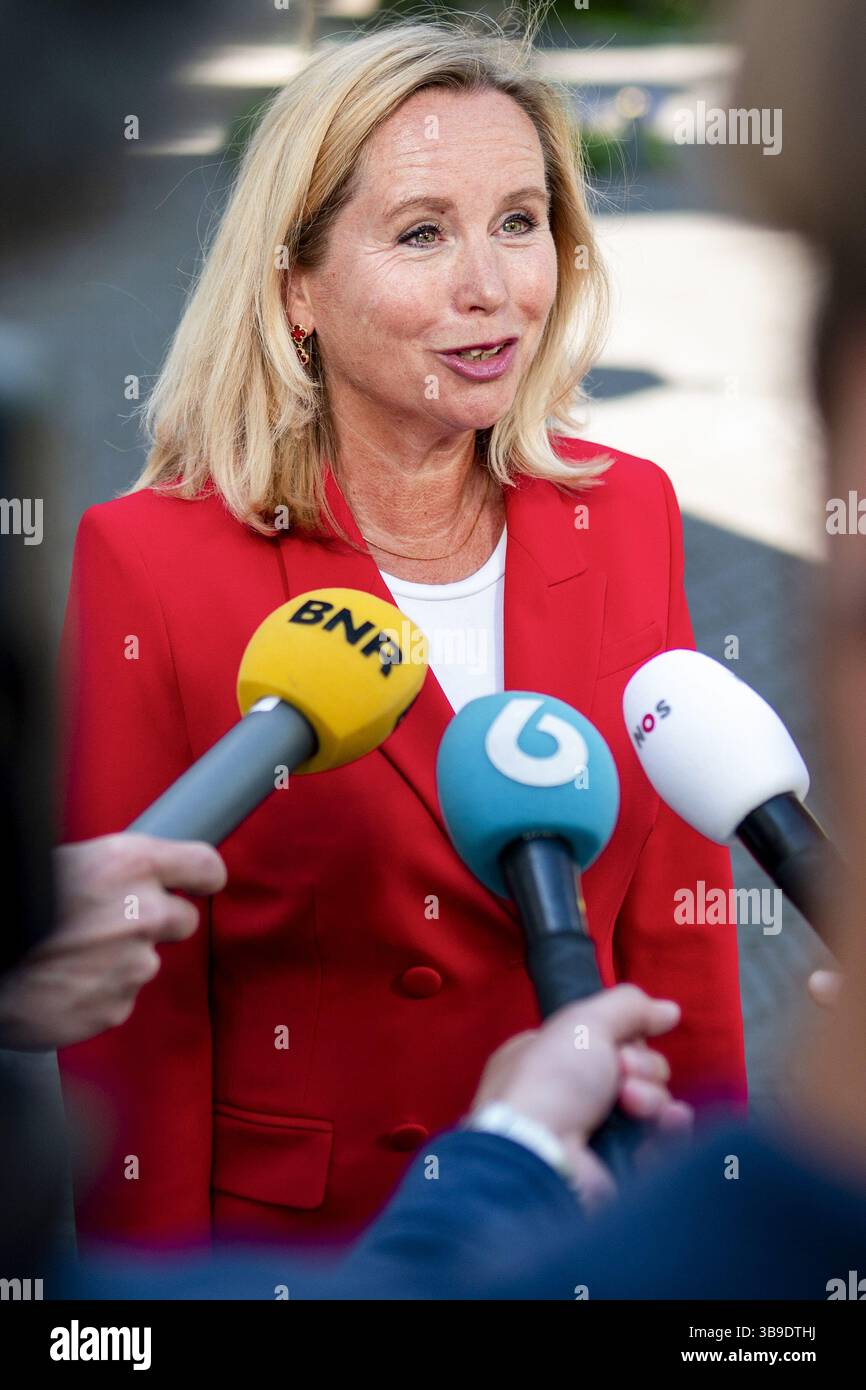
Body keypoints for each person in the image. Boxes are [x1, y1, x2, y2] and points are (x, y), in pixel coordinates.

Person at [56, 14, 746, 1254]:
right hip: (309, 1257)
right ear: (295, 288)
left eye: (519, 222)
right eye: (422, 232)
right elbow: (131, 1015)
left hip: (579, 1228)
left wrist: (708, 1233)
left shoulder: (627, 509)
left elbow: (680, 931)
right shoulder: (147, 561)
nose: (490, 287)